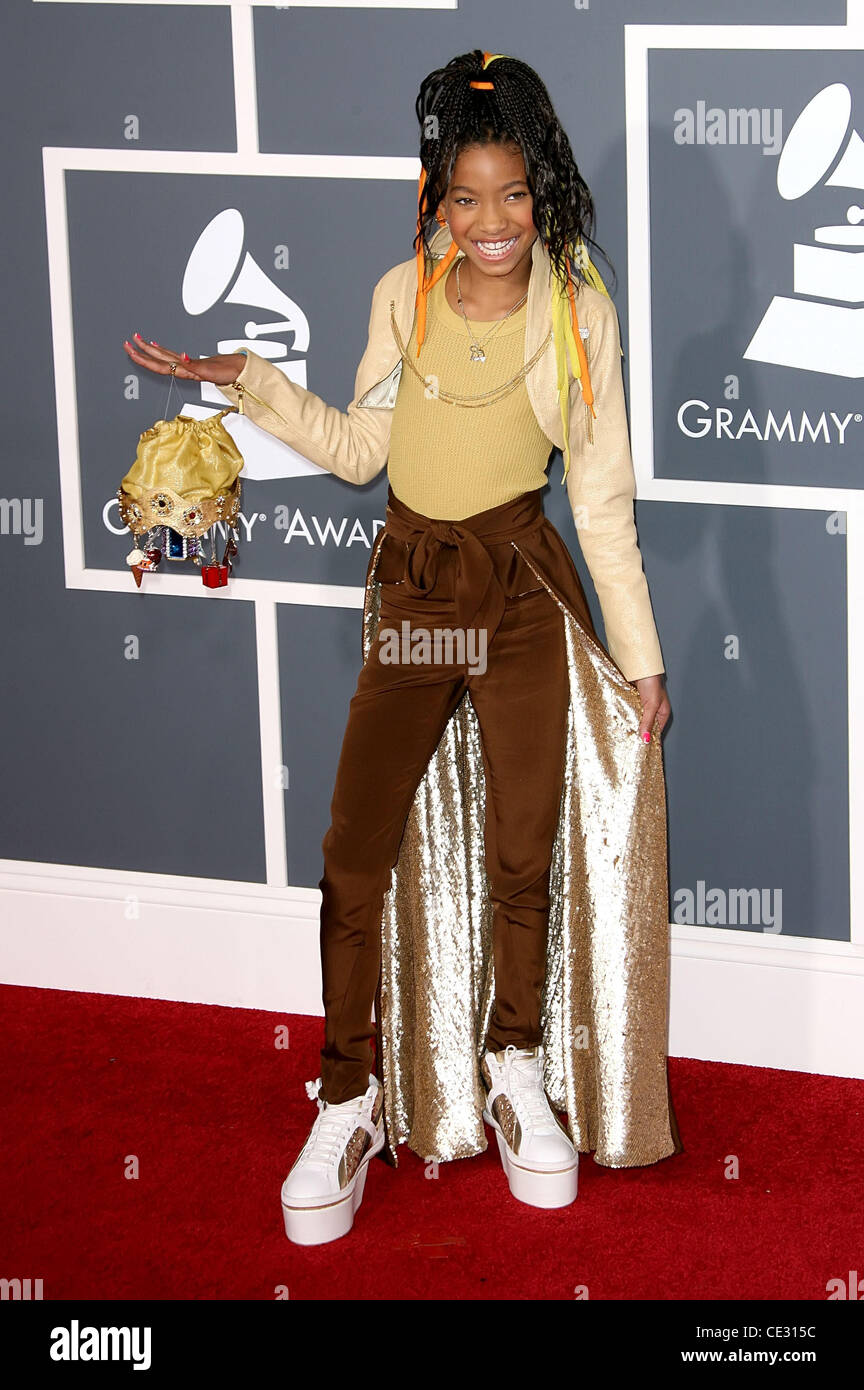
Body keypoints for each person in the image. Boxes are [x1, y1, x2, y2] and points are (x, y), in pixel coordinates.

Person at [124, 49, 681, 1248]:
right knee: (353, 851)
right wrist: (246, 380)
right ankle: (347, 1095)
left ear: (543, 190)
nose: (492, 221)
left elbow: (599, 499)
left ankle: (513, 1063)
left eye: (513, 194)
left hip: (523, 585)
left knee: (523, 846)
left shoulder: (579, 311)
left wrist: (639, 656)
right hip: (420, 586)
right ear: (437, 198)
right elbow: (356, 449)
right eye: (466, 197)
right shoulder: (401, 294)